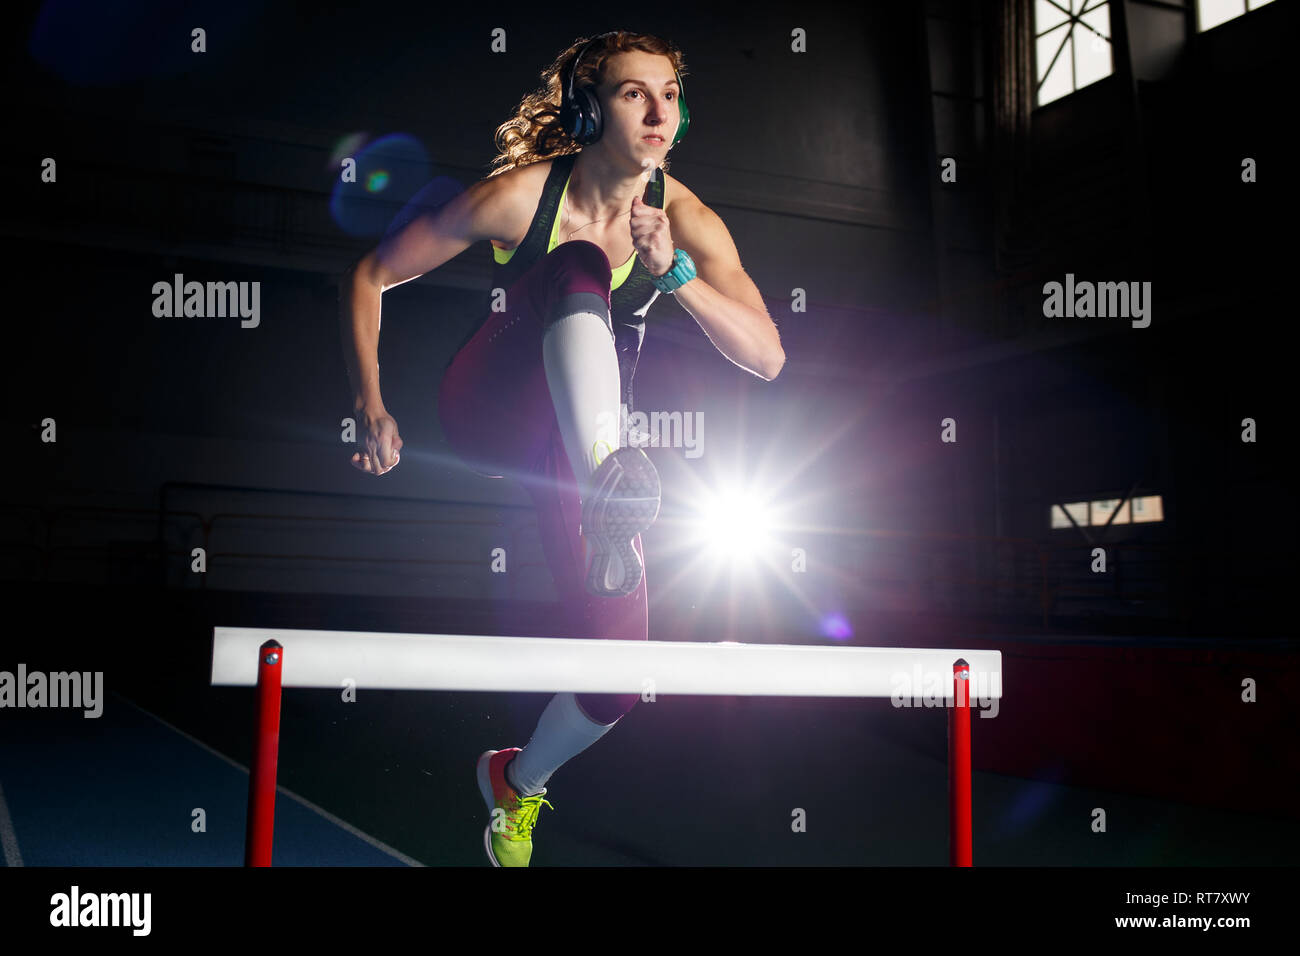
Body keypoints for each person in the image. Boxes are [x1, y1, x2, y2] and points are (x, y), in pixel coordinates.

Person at [338, 30, 784, 866]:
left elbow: (766, 355)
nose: (659, 111)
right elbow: (370, 276)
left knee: (619, 678)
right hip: (490, 408)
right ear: (588, 110)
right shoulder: (520, 197)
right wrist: (371, 402)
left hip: (574, 448)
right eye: (632, 94)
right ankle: (609, 491)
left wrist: (678, 275)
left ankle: (519, 781)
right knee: (577, 259)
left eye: (671, 94)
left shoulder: (687, 219)